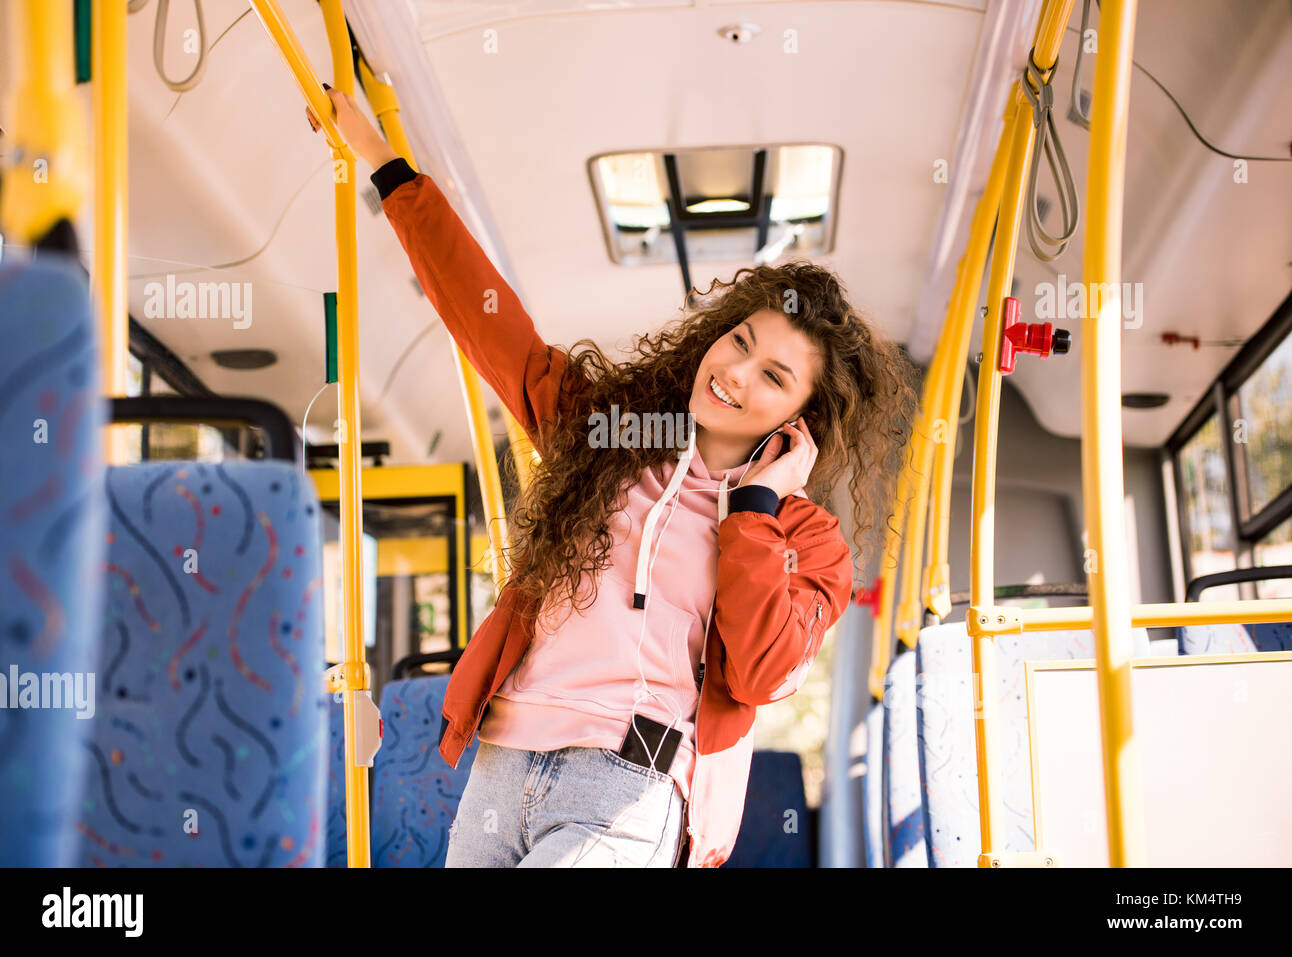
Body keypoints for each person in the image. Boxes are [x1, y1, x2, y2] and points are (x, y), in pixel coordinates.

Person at [308, 89, 917, 867]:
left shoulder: (809, 544)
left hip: (627, 790)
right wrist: (384, 163)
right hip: (502, 764)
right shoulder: (609, 433)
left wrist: (756, 508)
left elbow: (762, 669)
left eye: (772, 375)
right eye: (738, 340)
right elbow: (487, 320)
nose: (734, 372)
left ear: (802, 416)